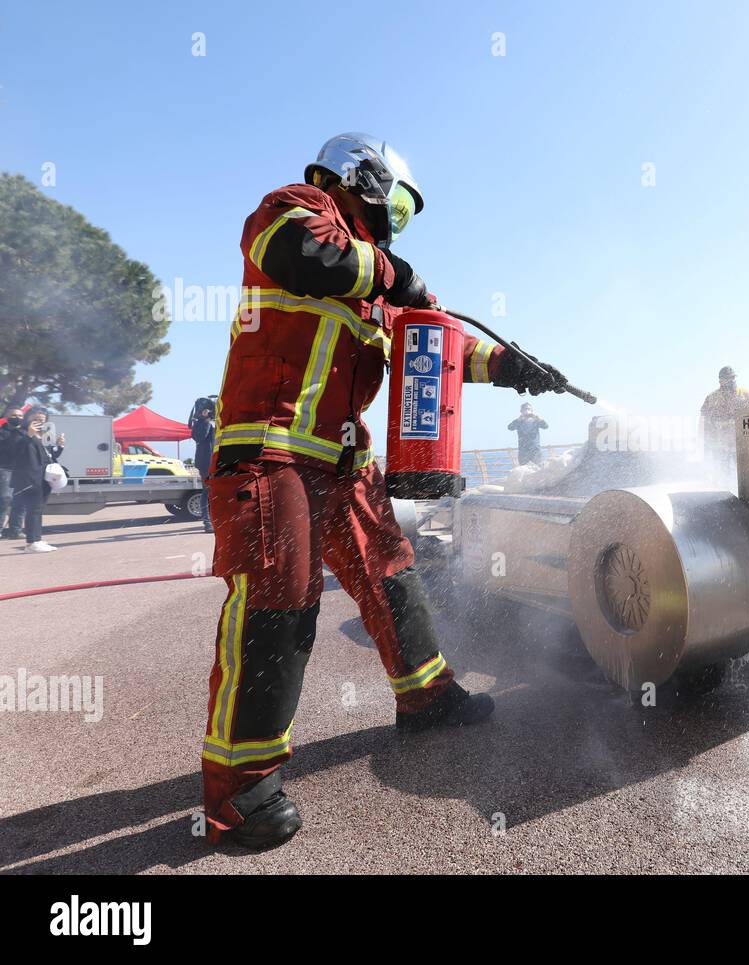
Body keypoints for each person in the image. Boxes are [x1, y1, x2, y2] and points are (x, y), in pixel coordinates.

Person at [202, 132, 569, 849]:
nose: (396, 219)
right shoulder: (295, 207)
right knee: (280, 604)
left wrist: (517, 365)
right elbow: (301, 252)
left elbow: (435, 344)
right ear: (359, 177)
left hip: (343, 463)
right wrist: (391, 269)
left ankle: (426, 696)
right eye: (395, 202)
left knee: (393, 573)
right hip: (270, 451)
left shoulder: (373, 289)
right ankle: (239, 789)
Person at [7, 409, 58, 552]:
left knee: (38, 510)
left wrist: (59, 447)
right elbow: (15, 451)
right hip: (29, 478)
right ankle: (31, 543)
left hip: (42, 477)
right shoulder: (19, 433)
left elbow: (46, 456)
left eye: (43, 419)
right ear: (28, 418)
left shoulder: (41, 435)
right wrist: (29, 434)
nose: (40, 421)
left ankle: (37, 539)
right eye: (36, 418)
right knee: (33, 509)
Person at [699, 366, 749, 458]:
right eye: (729, 378)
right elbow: (704, 421)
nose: (732, 380)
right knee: (721, 471)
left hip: (741, 445)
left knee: (743, 471)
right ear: (721, 381)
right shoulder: (712, 398)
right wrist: (706, 442)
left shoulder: (746, 394)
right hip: (720, 447)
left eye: (733, 377)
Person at [189, 397, 216, 533]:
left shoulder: (211, 423)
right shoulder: (200, 423)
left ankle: (213, 519)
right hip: (206, 462)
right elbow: (200, 437)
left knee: (214, 491)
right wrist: (205, 420)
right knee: (207, 491)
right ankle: (207, 522)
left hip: (213, 461)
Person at [0, 404, 25, 538]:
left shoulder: (25, 432)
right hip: (4, 469)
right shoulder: (1, 431)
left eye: (20, 416)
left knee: (20, 500)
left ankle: (15, 530)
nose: (17, 418)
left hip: (22, 471)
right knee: (4, 499)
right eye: (13, 416)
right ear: (6, 417)